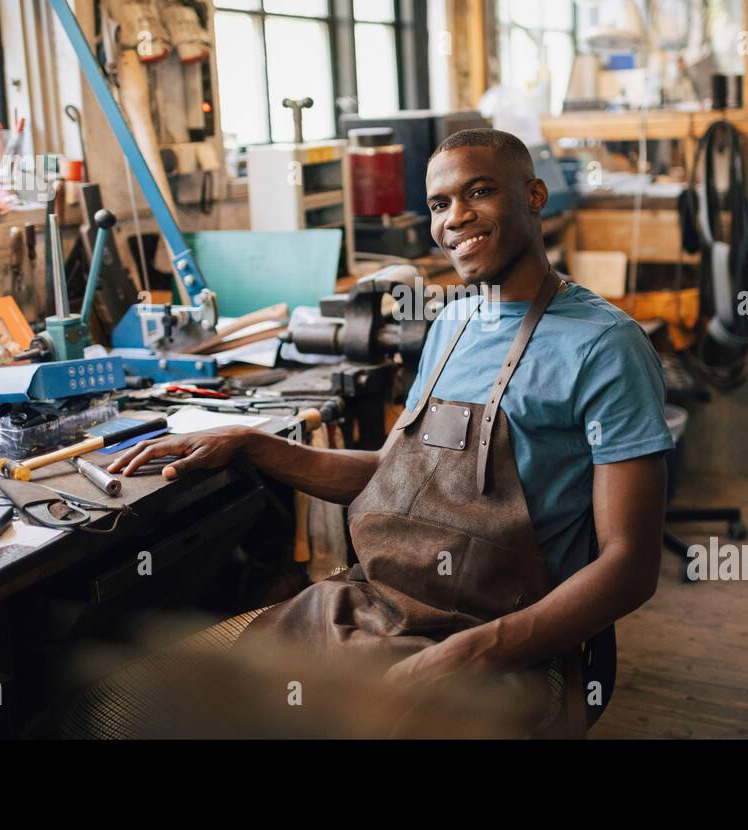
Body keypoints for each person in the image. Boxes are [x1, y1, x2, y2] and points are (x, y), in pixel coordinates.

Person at [109, 128, 674, 732]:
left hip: (500, 637)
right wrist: (251, 444)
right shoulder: (452, 323)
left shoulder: (605, 346)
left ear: (534, 196)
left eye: (478, 192)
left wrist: (473, 652)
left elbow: (630, 564)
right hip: (377, 607)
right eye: (438, 204)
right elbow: (395, 476)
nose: (455, 218)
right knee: (188, 708)